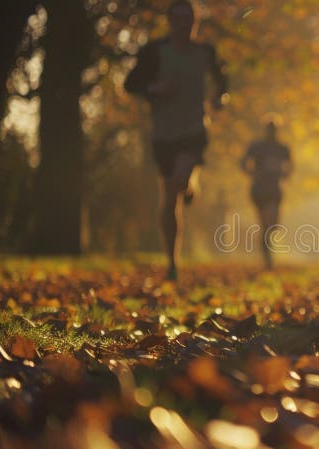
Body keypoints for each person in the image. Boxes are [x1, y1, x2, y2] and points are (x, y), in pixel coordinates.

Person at [123, 0, 226, 281]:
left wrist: (218, 98)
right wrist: (154, 88)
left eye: (189, 18)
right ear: (170, 21)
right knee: (169, 200)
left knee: (178, 179)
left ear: (195, 21)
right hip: (163, 134)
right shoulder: (154, 52)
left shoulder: (205, 52)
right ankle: (172, 261)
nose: (184, 24)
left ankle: (187, 182)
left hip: (194, 130)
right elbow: (130, 84)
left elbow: (222, 79)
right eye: (178, 18)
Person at [240, 118, 293, 270]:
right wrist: (252, 173)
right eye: (269, 129)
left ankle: (266, 251)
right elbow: (243, 163)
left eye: (274, 129)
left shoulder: (282, 148)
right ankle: (267, 258)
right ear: (265, 130)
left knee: (273, 225)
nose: (271, 132)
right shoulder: (257, 147)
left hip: (275, 189)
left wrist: (285, 174)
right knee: (265, 222)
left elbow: (289, 167)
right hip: (259, 189)